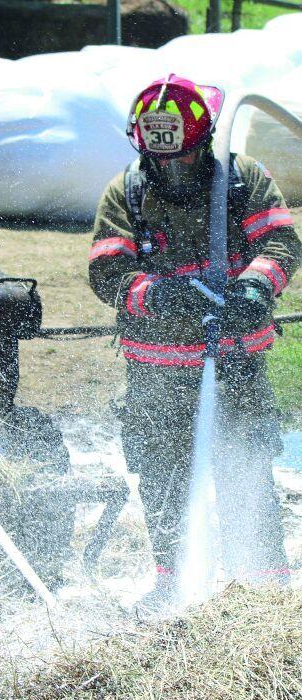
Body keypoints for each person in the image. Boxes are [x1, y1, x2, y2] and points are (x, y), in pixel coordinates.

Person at [88, 74, 300, 607]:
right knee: (162, 478)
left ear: (203, 138)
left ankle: (263, 590)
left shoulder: (241, 179)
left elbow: (279, 240)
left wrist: (255, 285)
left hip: (234, 363)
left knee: (246, 469)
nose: (171, 167)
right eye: (161, 157)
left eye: (181, 157)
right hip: (156, 372)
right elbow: (106, 271)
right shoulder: (128, 190)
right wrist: (157, 295)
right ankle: (174, 584)